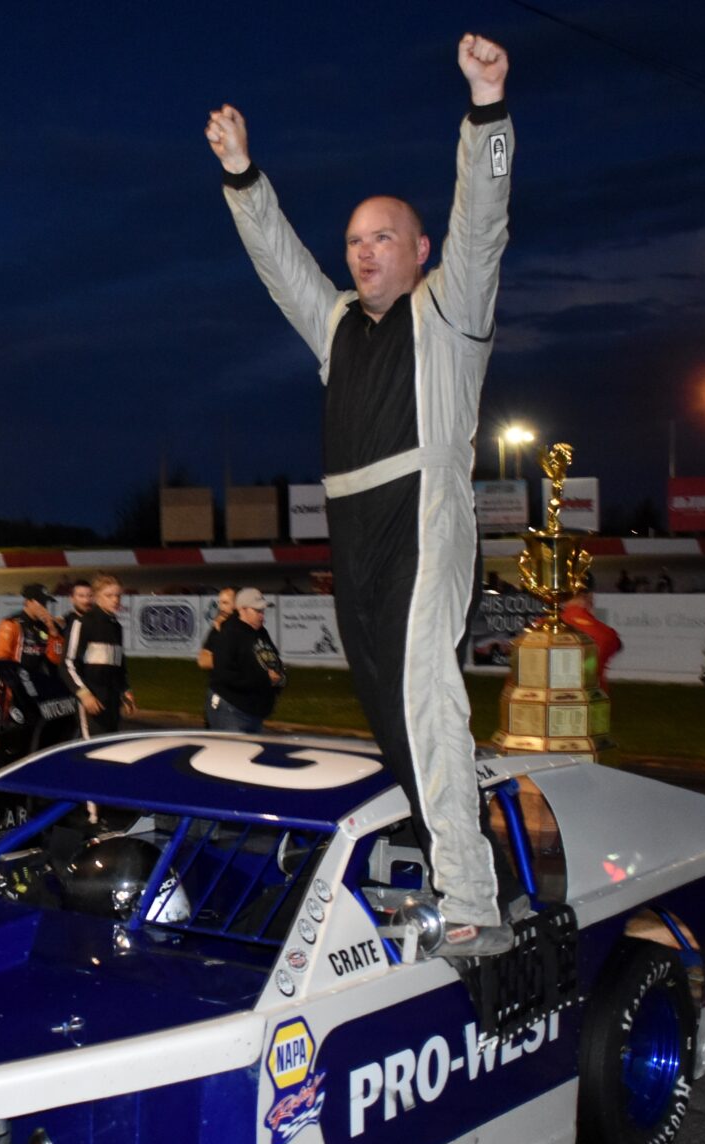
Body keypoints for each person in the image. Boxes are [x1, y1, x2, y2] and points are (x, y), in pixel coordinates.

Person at [209, 33, 514, 954]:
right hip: (355, 531)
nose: (364, 251)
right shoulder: (336, 323)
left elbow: (485, 219)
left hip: (425, 514)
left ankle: (473, 898)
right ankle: (435, 845)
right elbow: (281, 264)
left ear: (420, 249)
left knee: (424, 694)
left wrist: (488, 110)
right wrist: (242, 174)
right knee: (388, 707)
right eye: (354, 240)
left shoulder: (451, 311)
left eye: (383, 236)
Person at [63, 573, 135, 736]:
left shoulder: (116, 626)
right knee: (89, 750)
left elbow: (118, 664)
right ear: (96, 597)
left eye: (118, 595)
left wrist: (125, 690)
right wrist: (84, 693)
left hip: (111, 700)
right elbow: (67, 663)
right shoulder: (82, 623)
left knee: (107, 747)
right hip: (91, 698)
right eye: (109, 595)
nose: (115, 600)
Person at [207, 588, 285, 733]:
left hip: (254, 712)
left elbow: (272, 658)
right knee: (231, 754)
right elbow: (225, 675)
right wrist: (265, 680)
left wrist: (280, 677)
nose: (262, 615)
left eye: (263, 611)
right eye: (258, 611)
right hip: (232, 711)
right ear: (242, 610)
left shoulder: (260, 632)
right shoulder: (229, 633)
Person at [0, 583, 64, 674]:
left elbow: (56, 660)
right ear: (28, 602)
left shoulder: (47, 626)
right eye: (41, 602)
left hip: (39, 680)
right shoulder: (11, 624)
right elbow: (0, 658)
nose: (44, 606)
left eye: (45, 603)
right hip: (17, 680)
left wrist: (53, 631)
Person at [197, 585, 238, 724]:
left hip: (240, 701)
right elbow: (203, 660)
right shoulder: (218, 628)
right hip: (217, 694)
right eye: (220, 602)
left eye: (226, 603)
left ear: (237, 605)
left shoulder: (246, 629)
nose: (221, 607)